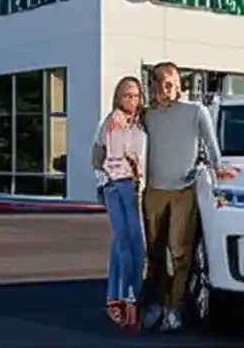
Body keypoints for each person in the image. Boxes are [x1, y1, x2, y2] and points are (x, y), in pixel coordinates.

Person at [138, 62, 239, 332]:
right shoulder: (146, 116)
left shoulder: (196, 111)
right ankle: (158, 302)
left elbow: (210, 144)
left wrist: (219, 170)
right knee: (155, 253)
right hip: (153, 193)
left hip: (184, 191)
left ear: (179, 84)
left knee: (181, 253)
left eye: (168, 83)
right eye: (158, 83)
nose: (163, 88)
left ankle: (175, 307)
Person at [92, 76, 148, 332]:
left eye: (135, 95)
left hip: (135, 187)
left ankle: (121, 296)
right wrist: (105, 184)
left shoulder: (140, 124)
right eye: (127, 95)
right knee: (126, 240)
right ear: (118, 97)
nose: (132, 100)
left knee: (128, 243)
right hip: (116, 185)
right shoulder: (112, 121)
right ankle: (124, 298)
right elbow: (97, 156)